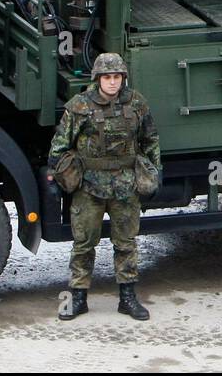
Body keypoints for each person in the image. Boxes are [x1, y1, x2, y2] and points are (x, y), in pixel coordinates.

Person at [48, 52, 162, 320]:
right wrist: (62, 178)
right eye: (107, 77)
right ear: (98, 79)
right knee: (83, 244)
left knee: (126, 243)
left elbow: (150, 139)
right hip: (89, 187)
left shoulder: (136, 104)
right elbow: (59, 147)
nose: (112, 83)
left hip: (125, 186)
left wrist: (155, 173)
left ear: (123, 78)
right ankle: (78, 297)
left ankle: (128, 297)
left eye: (117, 77)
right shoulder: (79, 107)